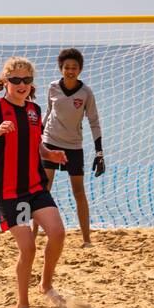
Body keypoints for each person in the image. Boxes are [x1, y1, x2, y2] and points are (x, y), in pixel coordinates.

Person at [0, 56, 68, 308]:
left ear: (32, 84)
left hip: (35, 187)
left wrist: (49, 154)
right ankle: (23, 303)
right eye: (16, 80)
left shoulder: (34, 111)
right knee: (28, 247)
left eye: (27, 80)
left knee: (57, 233)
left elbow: (35, 145)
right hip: (11, 193)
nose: (22, 84)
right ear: (5, 82)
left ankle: (46, 285)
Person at [41, 48, 103, 247]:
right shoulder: (52, 87)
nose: (70, 71)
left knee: (78, 191)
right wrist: (36, 141)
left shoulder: (86, 93)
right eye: (66, 67)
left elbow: (94, 122)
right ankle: (32, 235)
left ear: (80, 69)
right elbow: (48, 114)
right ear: (61, 68)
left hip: (73, 147)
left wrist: (99, 152)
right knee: (43, 189)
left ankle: (86, 240)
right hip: (50, 142)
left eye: (74, 68)